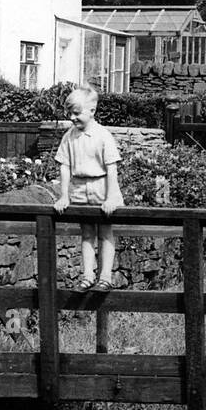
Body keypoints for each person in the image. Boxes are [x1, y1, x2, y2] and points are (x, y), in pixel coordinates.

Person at [52, 85, 124, 290]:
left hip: (102, 187)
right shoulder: (69, 136)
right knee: (86, 233)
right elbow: (65, 167)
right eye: (70, 114)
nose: (73, 118)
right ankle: (87, 275)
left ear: (92, 111)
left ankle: (105, 277)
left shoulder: (103, 135)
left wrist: (111, 198)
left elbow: (112, 169)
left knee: (105, 233)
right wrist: (63, 196)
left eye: (77, 113)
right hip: (79, 188)